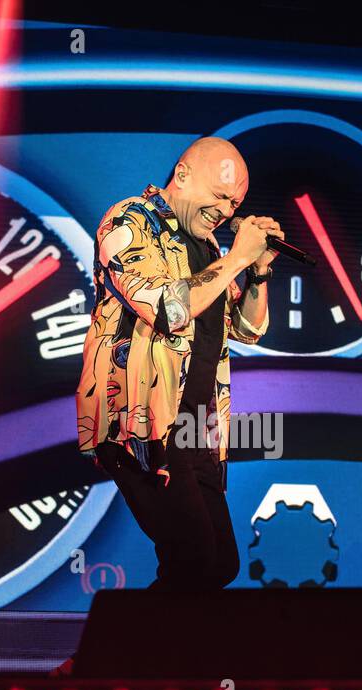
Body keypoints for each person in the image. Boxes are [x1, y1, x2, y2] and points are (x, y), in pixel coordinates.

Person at [76, 136, 281, 589]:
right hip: (139, 423)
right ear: (183, 176)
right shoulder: (129, 221)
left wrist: (258, 270)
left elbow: (248, 329)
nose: (227, 211)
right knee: (191, 556)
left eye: (235, 202)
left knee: (219, 564)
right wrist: (235, 261)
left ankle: (144, 657)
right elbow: (167, 309)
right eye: (219, 195)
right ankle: (104, 660)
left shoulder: (208, 245)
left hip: (197, 430)